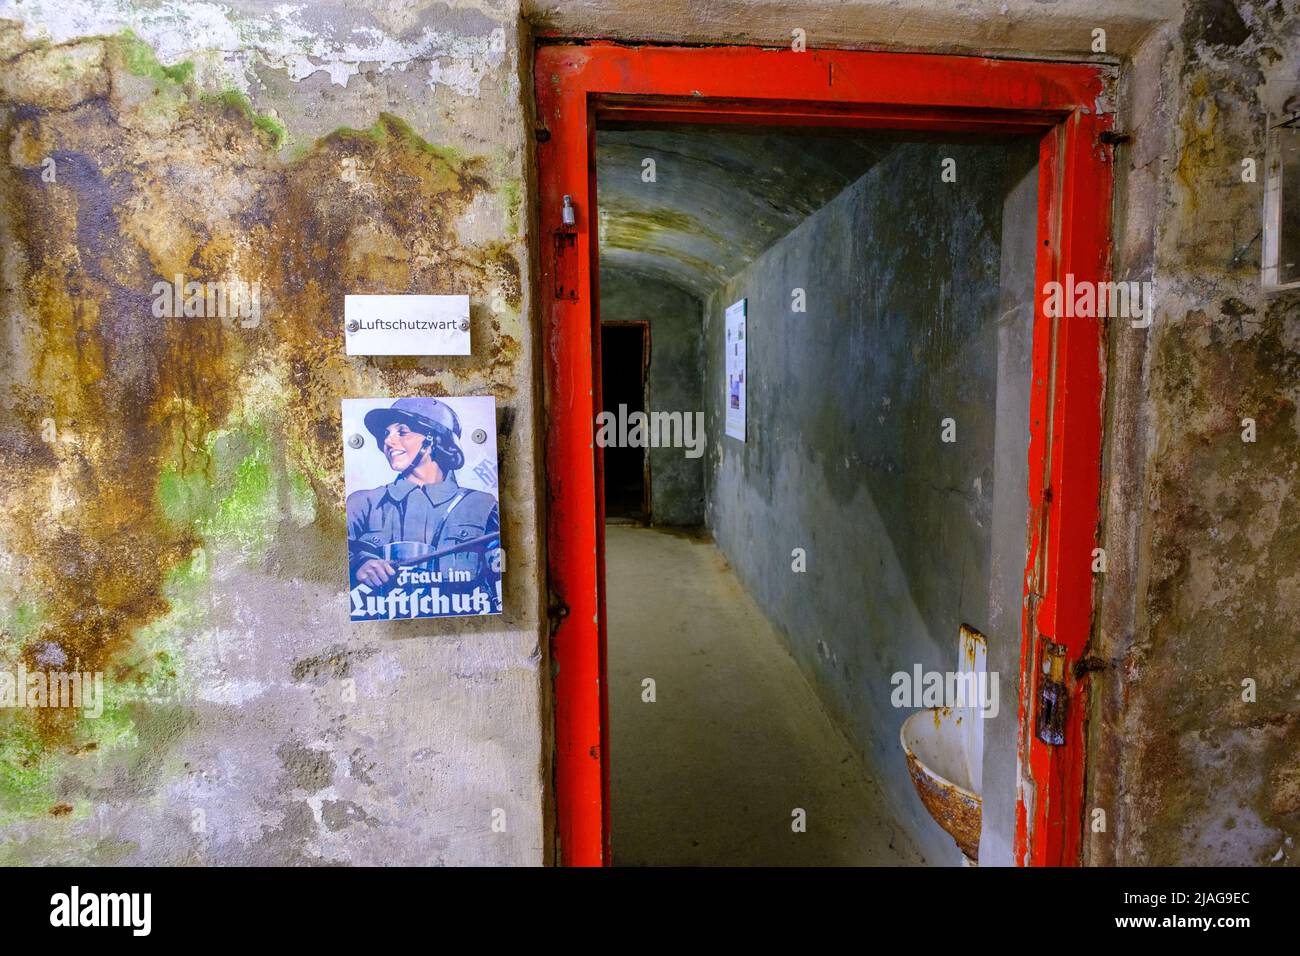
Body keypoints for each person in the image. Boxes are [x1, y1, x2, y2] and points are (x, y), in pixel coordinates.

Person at [346, 398, 501, 614]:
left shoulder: (483, 506)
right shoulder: (362, 504)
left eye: (402, 432)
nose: (388, 442)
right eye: (386, 434)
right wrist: (358, 562)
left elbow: (503, 572)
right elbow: (331, 556)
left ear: (432, 440)